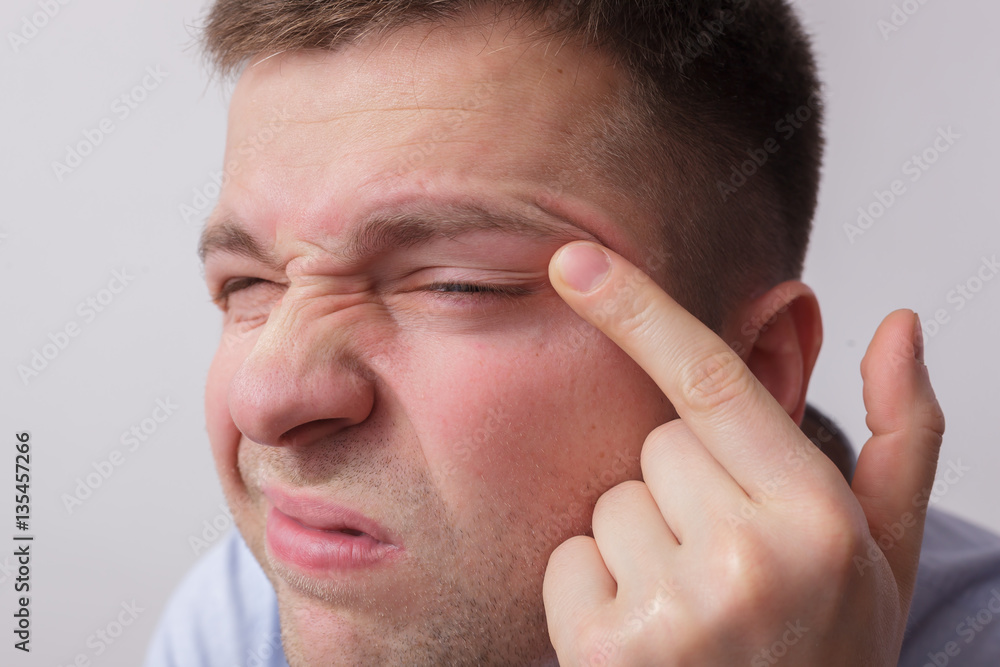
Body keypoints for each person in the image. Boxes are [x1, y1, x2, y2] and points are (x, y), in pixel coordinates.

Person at [144, 1, 1000, 664]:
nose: (264, 398)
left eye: (458, 283)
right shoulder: (237, 611)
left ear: (756, 368)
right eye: (246, 285)